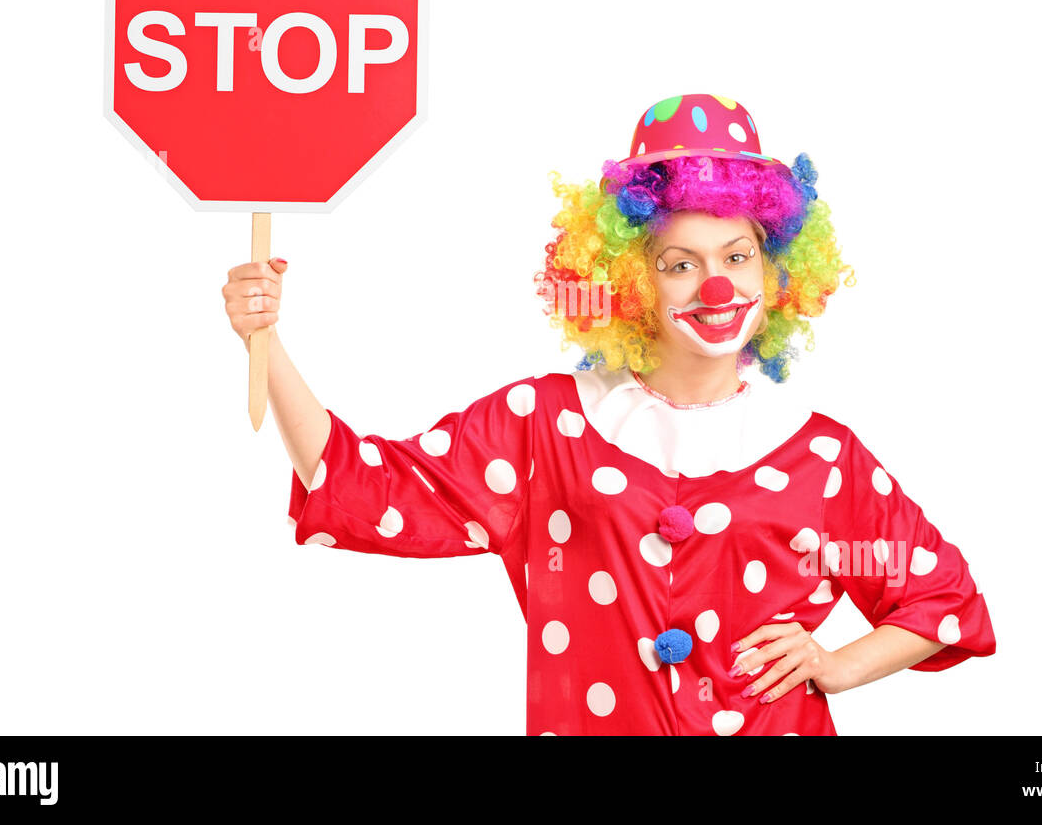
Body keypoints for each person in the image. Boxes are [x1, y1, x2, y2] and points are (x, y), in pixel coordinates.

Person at [222, 93, 996, 735]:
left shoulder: (819, 457)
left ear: (777, 269)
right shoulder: (546, 424)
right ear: (631, 281)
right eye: (680, 264)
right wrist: (268, 338)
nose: (715, 286)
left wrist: (837, 664)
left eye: (737, 256)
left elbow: (938, 595)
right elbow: (366, 484)